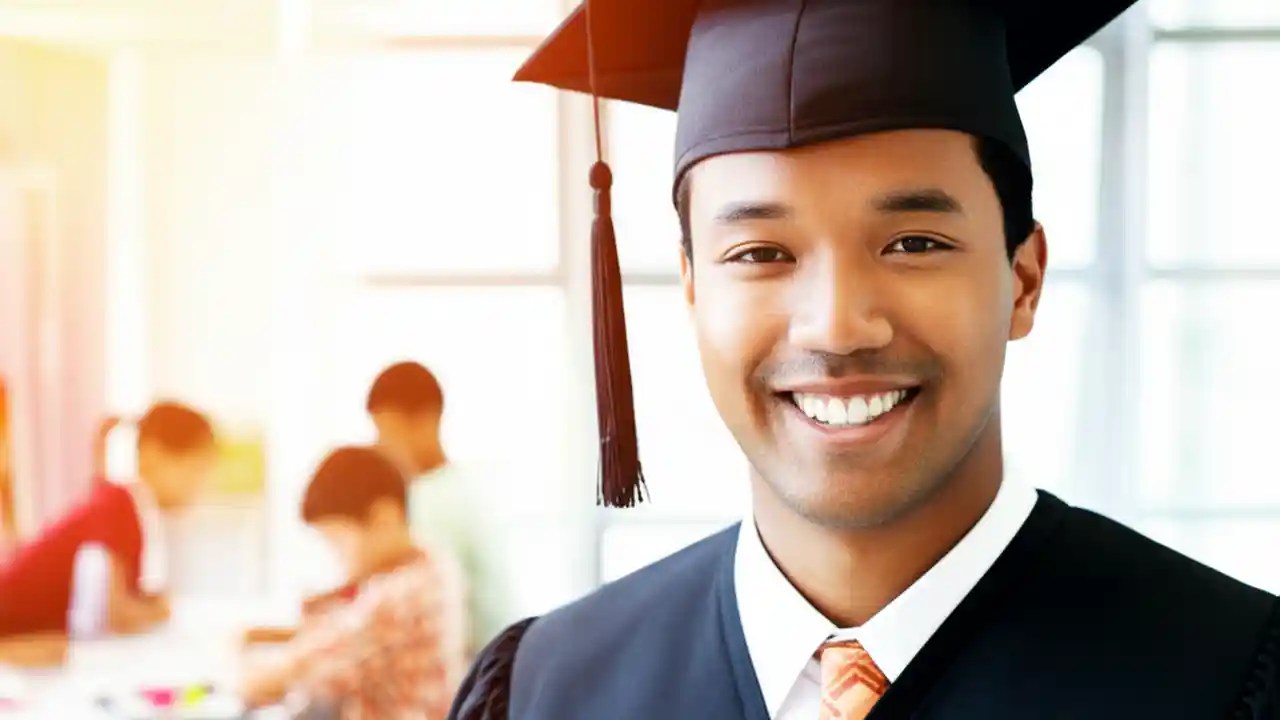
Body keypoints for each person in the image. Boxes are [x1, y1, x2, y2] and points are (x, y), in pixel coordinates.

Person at [449, 1, 1280, 718]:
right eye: (761, 253)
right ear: (693, 289)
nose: (837, 327)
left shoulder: (1221, 678)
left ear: (1023, 280)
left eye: (914, 243)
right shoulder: (550, 691)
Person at [238, 446, 467, 719]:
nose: (337, 559)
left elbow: (278, 677)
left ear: (384, 518)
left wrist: (241, 664)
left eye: (337, 541)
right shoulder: (430, 563)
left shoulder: (400, 599)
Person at [0, 401, 215, 646]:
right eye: (197, 470)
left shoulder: (128, 507)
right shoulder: (118, 505)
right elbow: (115, 617)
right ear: (153, 456)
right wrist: (159, 611)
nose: (200, 487)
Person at [366, 361, 509, 655]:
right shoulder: (456, 486)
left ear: (426, 421)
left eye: (387, 431)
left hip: (484, 665)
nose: (380, 446)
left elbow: (410, 601)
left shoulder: (434, 504)